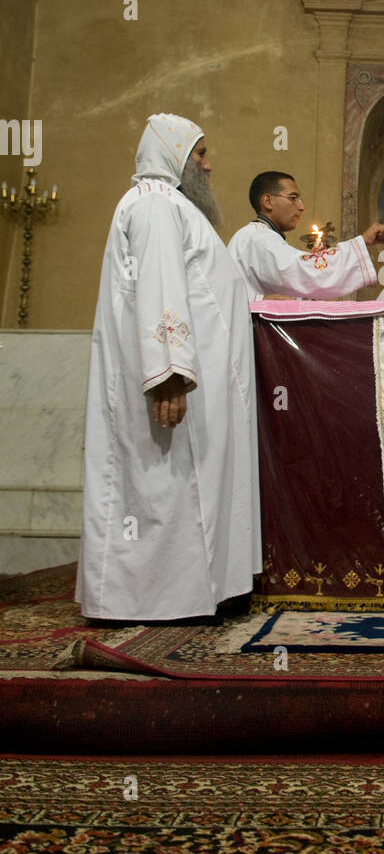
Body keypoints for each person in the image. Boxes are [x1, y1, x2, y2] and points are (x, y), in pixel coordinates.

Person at [76, 113, 261, 624]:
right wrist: (169, 375)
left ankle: (193, 592)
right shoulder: (156, 203)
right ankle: (160, 600)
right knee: (169, 484)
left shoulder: (169, 204)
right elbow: (158, 288)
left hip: (196, 383)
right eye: (199, 154)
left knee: (186, 485)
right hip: (177, 383)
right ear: (175, 157)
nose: (208, 163)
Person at [228, 170, 384, 301]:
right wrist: (364, 241)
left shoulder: (255, 236)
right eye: (293, 198)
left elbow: (292, 288)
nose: (302, 207)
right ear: (268, 201)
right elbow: (307, 273)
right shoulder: (258, 238)